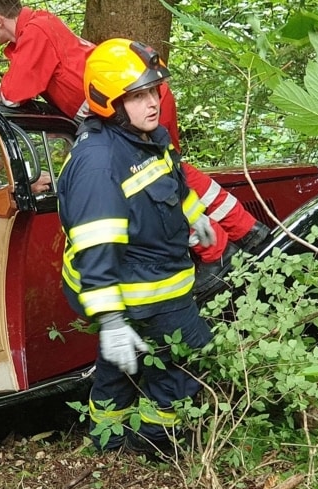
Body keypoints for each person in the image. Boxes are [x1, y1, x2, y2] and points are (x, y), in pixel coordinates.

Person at [0, 0, 269, 262]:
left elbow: (12, 94)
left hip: (135, 102)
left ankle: (219, 252)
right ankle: (243, 232)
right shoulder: (40, 25)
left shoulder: (34, 34)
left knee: (160, 174)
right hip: (136, 101)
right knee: (169, 170)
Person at [57, 38, 215, 453]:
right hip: (137, 286)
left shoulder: (146, 135)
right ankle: (154, 445)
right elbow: (96, 251)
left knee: (123, 361)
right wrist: (110, 320)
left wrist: (194, 214)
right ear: (109, 102)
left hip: (151, 274)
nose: (153, 103)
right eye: (138, 95)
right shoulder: (99, 163)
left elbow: (172, 183)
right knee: (188, 359)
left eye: (153, 91)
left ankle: (105, 439)